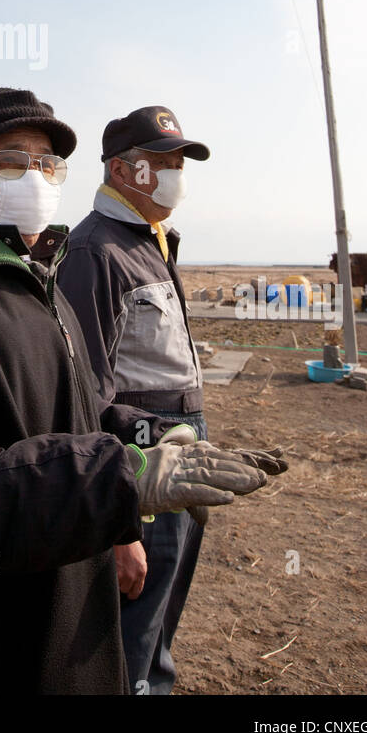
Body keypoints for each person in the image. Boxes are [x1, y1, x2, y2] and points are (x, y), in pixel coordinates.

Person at [0, 87, 277, 696]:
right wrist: (122, 479)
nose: (34, 179)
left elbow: (76, 410)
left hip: (70, 604)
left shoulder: (30, 274)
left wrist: (149, 443)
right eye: (10, 163)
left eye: (47, 164)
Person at [58, 104, 284, 694]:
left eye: (179, 161)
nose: (175, 173)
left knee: (158, 625)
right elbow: (86, 396)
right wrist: (118, 524)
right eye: (161, 161)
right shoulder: (95, 253)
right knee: (131, 629)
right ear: (121, 169)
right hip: (141, 463)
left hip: (180, 448)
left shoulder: (152, 242)